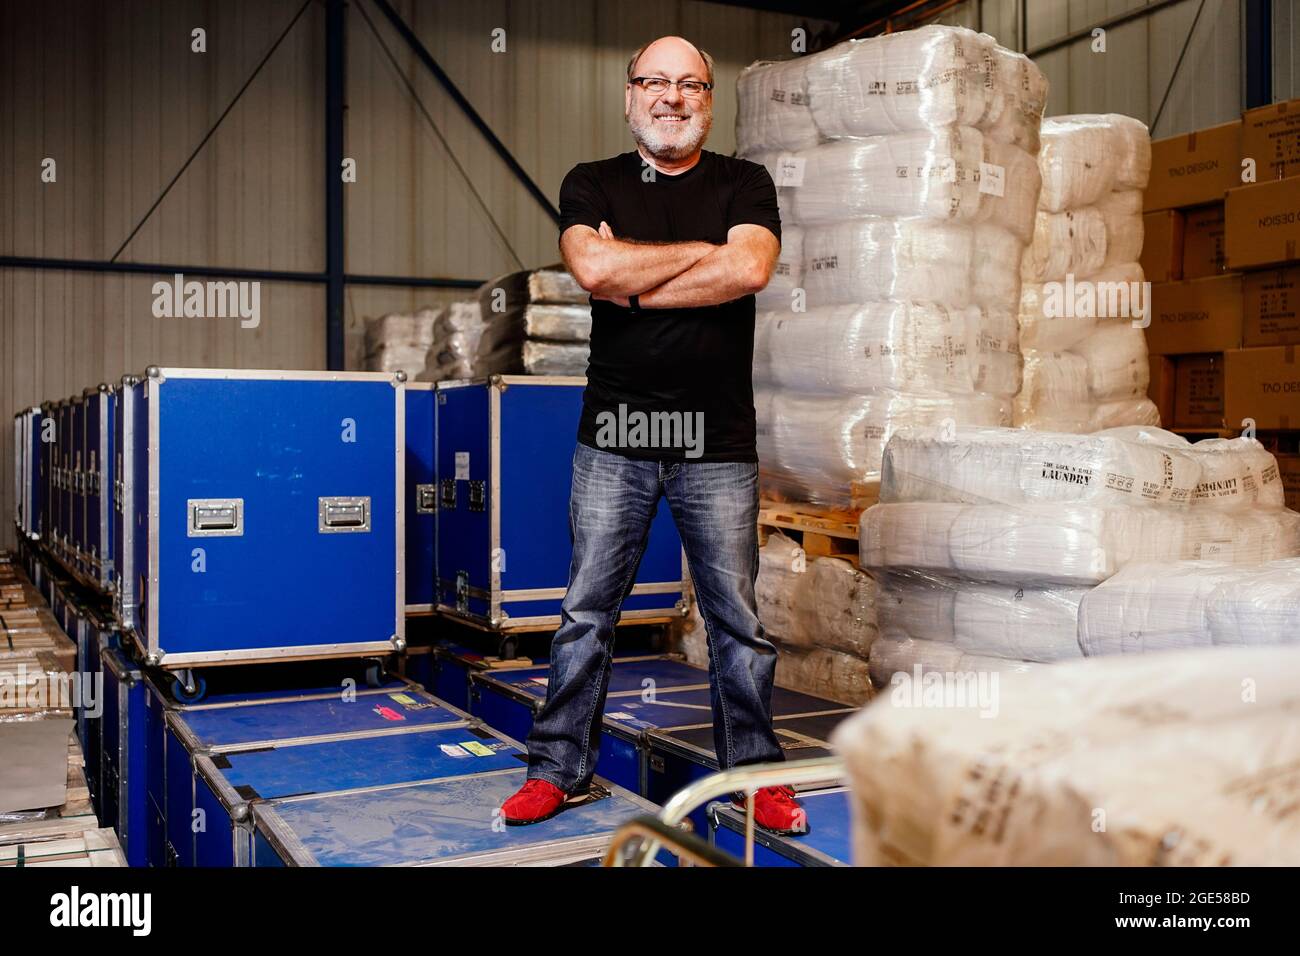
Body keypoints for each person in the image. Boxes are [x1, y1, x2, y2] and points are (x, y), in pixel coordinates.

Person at [500, 35, 804, 835]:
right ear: (631, 96)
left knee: (738, 619)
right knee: (586, 612)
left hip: (718, 442)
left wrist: (636, 275)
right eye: (655, 83)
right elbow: (592, 273)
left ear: (709, 98)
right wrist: (694, 256)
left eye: (690, 85)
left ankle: (755, 776)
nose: (672, 98)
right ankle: (556, 771)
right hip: (616, 434)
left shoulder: (746, 180)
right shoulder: (590, 180)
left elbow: (747, 271)